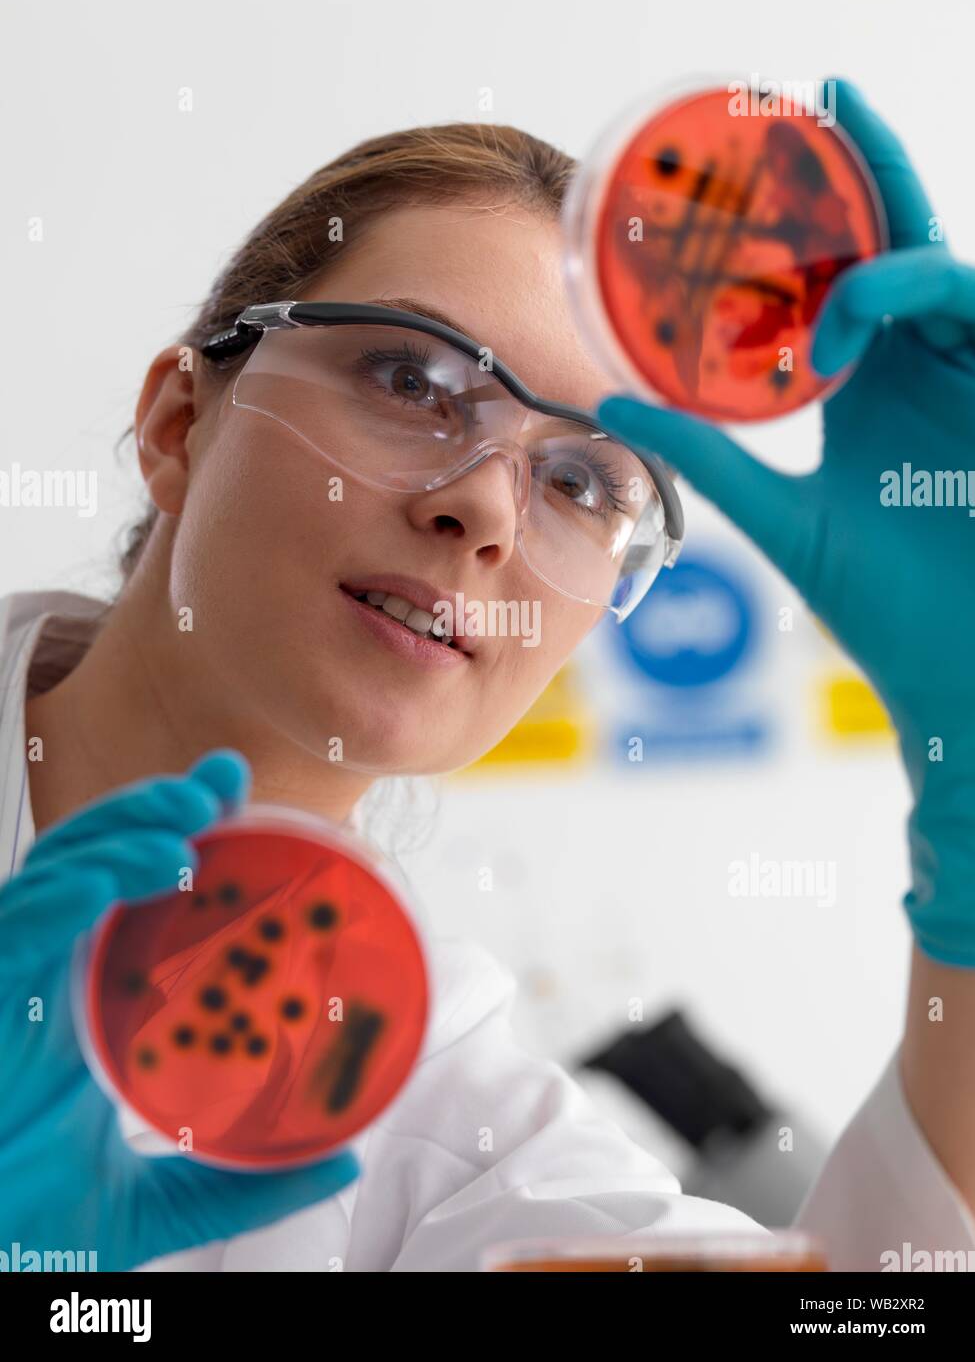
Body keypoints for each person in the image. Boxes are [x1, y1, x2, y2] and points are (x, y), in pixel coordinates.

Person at [2, 80, 974, 1273]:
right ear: (177, 425)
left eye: (580, 483)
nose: (483, 507)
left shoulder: (455, 1132)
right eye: (410, 380)